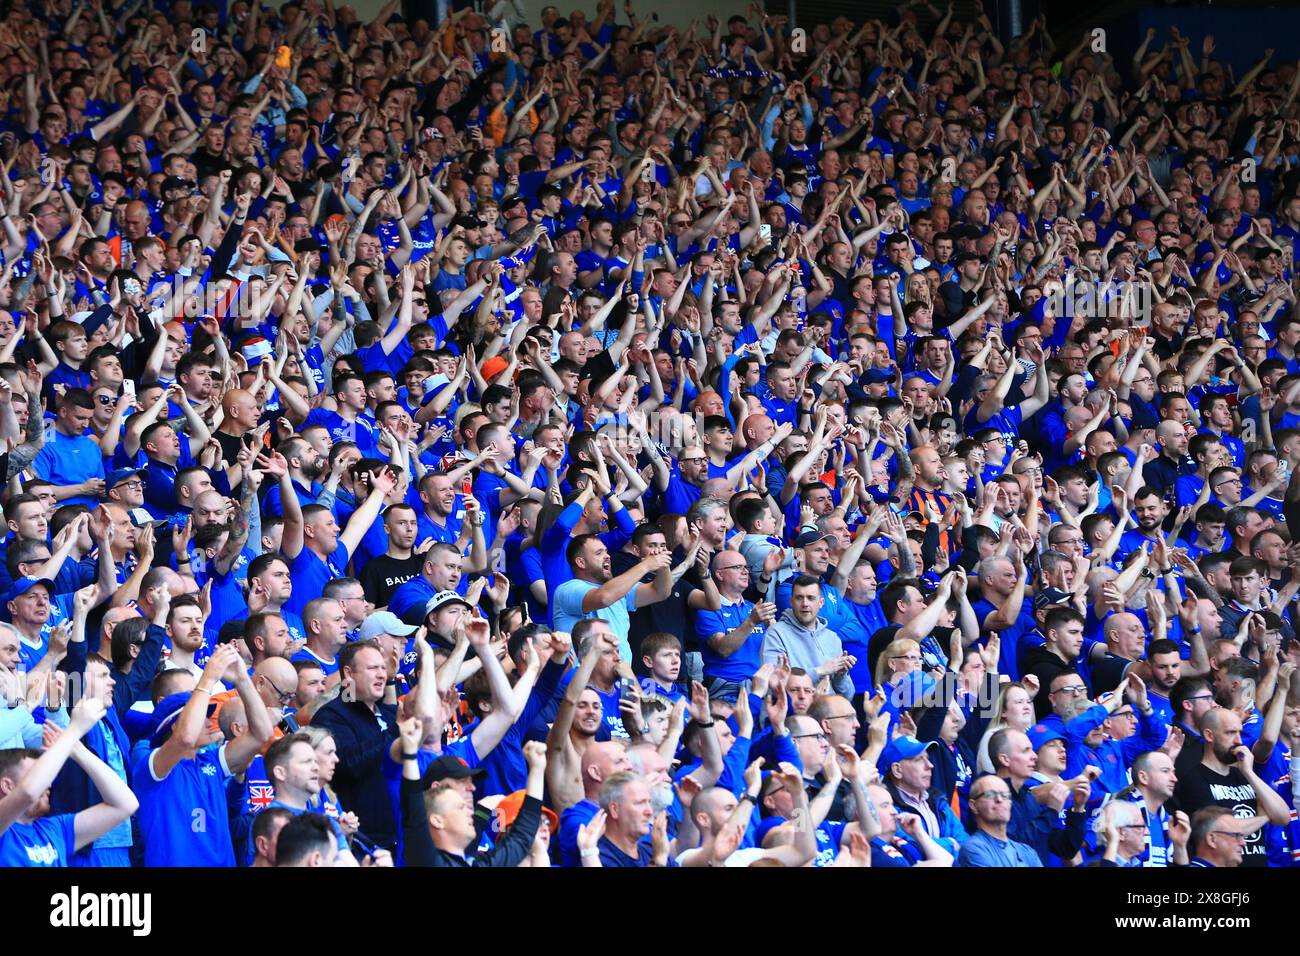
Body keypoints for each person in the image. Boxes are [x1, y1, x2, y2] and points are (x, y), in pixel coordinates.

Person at [956, 775, 1043, 867]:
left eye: (1005, 795)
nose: (999, 799)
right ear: (973, 805)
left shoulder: (1027, 851)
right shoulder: (974, 849)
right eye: (990, 794)